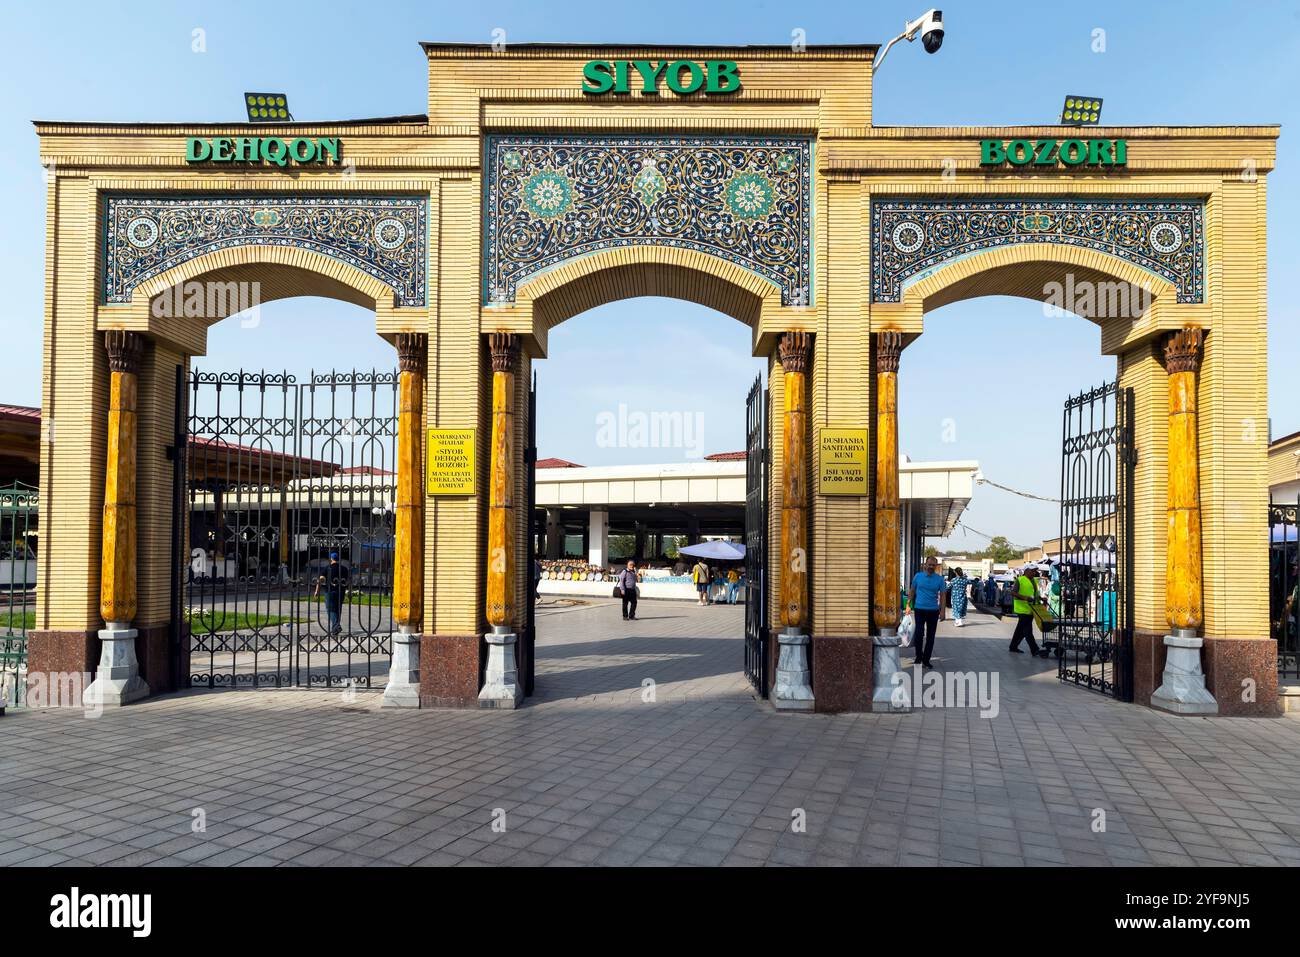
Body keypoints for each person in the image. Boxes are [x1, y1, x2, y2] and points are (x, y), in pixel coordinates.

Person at [907, 555, 948, 668]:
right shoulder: (918, 576)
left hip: (933, 611)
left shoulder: (939, 579)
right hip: (919, 609)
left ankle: (926, 660)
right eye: (929, 564)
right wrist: (908, 604)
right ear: (925, 565)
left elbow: (943, 595)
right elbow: (912, 590)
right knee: (919, 634)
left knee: (931, 636)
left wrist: (942, 611)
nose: (931, 567)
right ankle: (918, 657)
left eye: (933, 565)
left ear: (936, 566)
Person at [1010, 567, 1050, 657]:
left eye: (1035, 571)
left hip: (1031, 609)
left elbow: (1035, 594)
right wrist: (1025, 598)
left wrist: (1041, 598)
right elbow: (1013, 593)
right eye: (1032, 571)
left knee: (1020, 630)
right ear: (1026, 571)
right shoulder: (1020, 580)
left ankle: (1013, 646)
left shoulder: (1034, 581)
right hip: (1022, 609)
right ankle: (1035, 650)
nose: (1034, 572)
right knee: (1028, 631)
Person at [314, 551, 348, 636]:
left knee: (331, 609)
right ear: (338, 559)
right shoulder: (344, 569)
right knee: (338, 609)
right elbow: (348, 581)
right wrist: (350, 591)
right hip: (341, 591)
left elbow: (321, 579)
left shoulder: (327, 568)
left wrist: (317, 590)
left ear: (331, 559)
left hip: (330, 591)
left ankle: (336, 626)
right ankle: (335, 629)